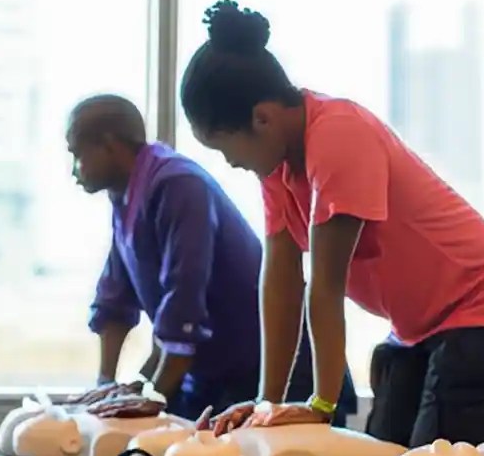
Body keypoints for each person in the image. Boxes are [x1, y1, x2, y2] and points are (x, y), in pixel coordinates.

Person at [179, 0, 484, 447]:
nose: (231, 162)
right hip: (416, 330)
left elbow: (325, 286)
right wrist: (265, 403)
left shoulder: (337, 135)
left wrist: (320, 407)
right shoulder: (276, 166)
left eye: (225, 148)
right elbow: (280, 283)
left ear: (263, 118)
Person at [64, 94, 355, 423]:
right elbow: (114, 299)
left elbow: (184, 297)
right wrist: (109, 387)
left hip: (283, 374)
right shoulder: (126, 196)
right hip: (215, 375)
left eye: (77, 154)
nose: (74, 171)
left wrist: (154, 392)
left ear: (109, 145)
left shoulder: (177, 185)